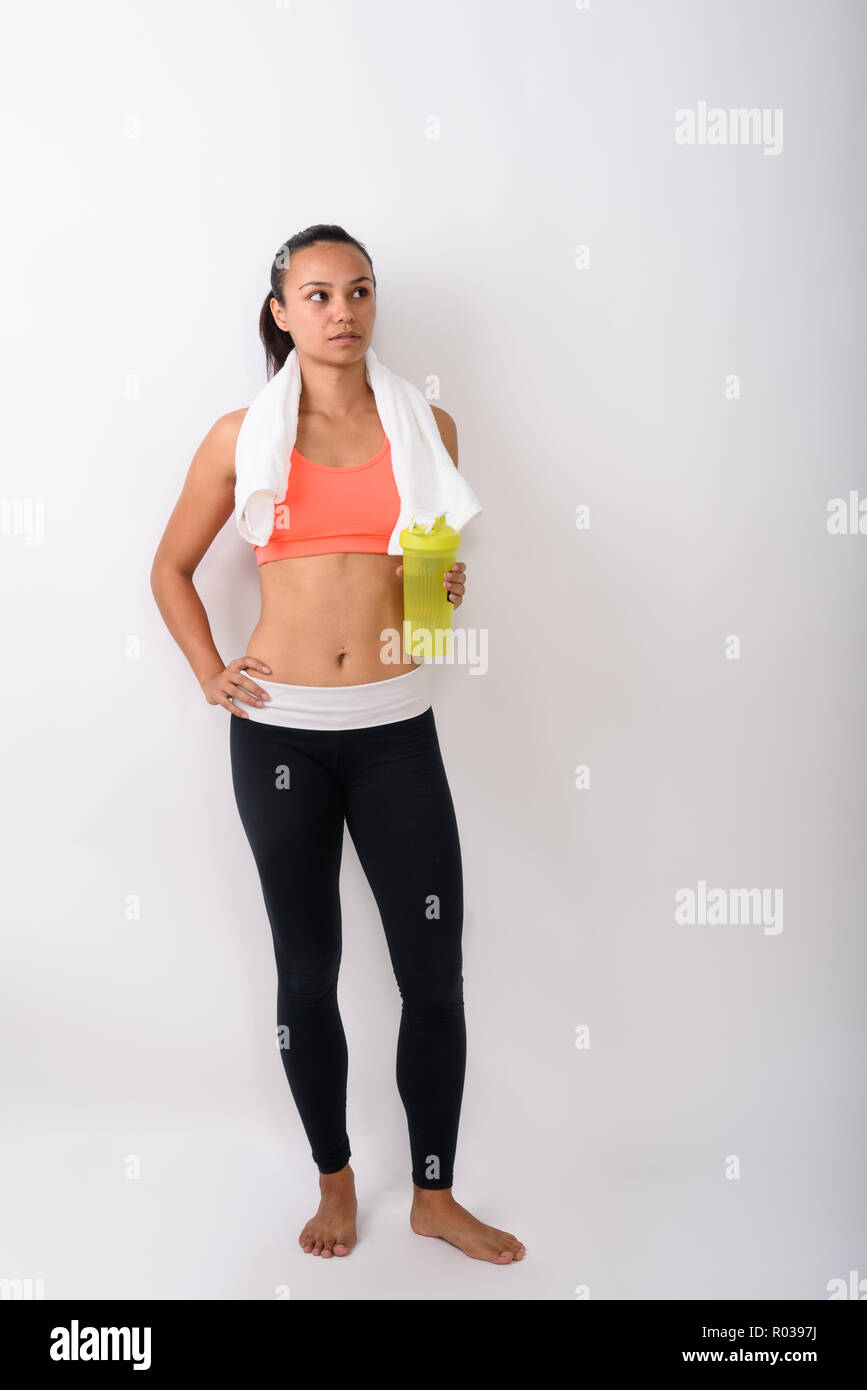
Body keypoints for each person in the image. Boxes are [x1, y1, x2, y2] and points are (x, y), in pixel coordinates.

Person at [150, 224, 525, 1265]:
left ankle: (436, 1194)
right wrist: (208, 671)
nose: (342, 310)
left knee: (434, 974)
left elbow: (428, 592)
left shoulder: (428, 426)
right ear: (280, 312)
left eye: (358, 290)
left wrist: (443, 589)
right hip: (282, 736)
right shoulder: (240, 437)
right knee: (306, 972)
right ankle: (336, 1178)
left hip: (397, 731)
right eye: (316, 294)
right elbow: (170, 568)